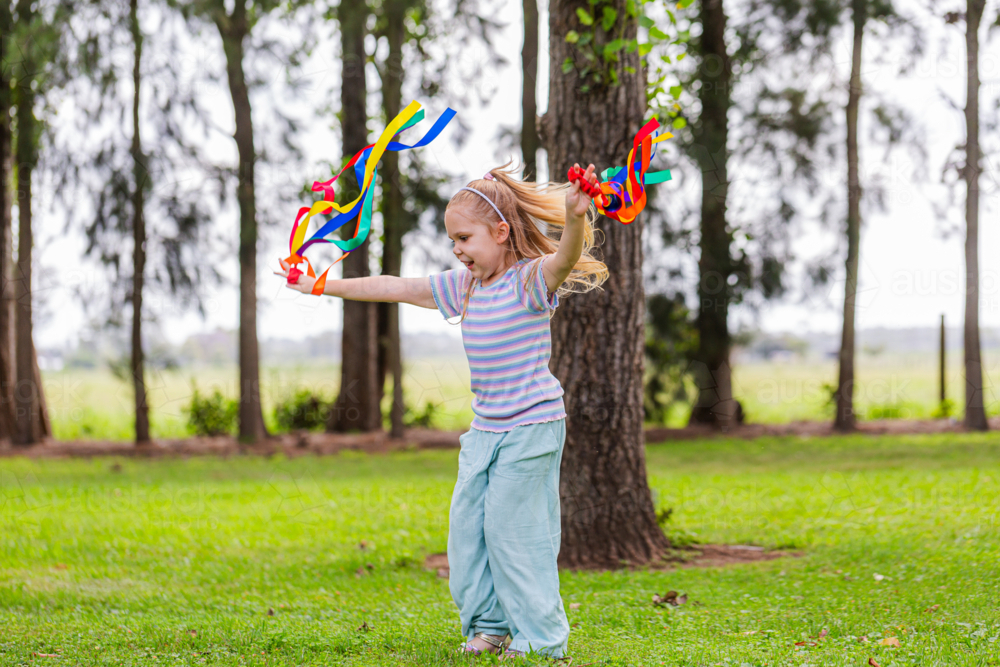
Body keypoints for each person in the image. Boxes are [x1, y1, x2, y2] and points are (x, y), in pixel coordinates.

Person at [275, 161, 609, 659]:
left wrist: (576, 216)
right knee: (467, 531)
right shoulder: (466, 287)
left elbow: (563, 257)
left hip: (532, 427)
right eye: (453, 240)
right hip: (485, 431)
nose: (457, 249)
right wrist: (321, 286)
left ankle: (541, 639)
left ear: (500, 232)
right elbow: (393, 285)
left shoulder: (529, 282)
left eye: (465, 238)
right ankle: (490, 626)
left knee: (512, 531)